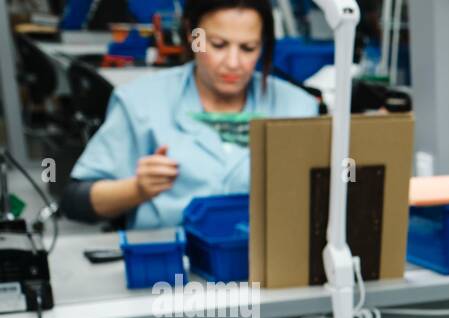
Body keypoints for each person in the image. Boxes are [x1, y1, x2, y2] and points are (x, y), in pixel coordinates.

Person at [62, 0, 320, 228]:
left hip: (270, 268)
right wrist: (136, 189)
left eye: (248, 48)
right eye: (218, 45)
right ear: (191, 35)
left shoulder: (297, 108)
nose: (232, 62)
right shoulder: (141, 101)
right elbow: (75, 201)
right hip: (170, 268)